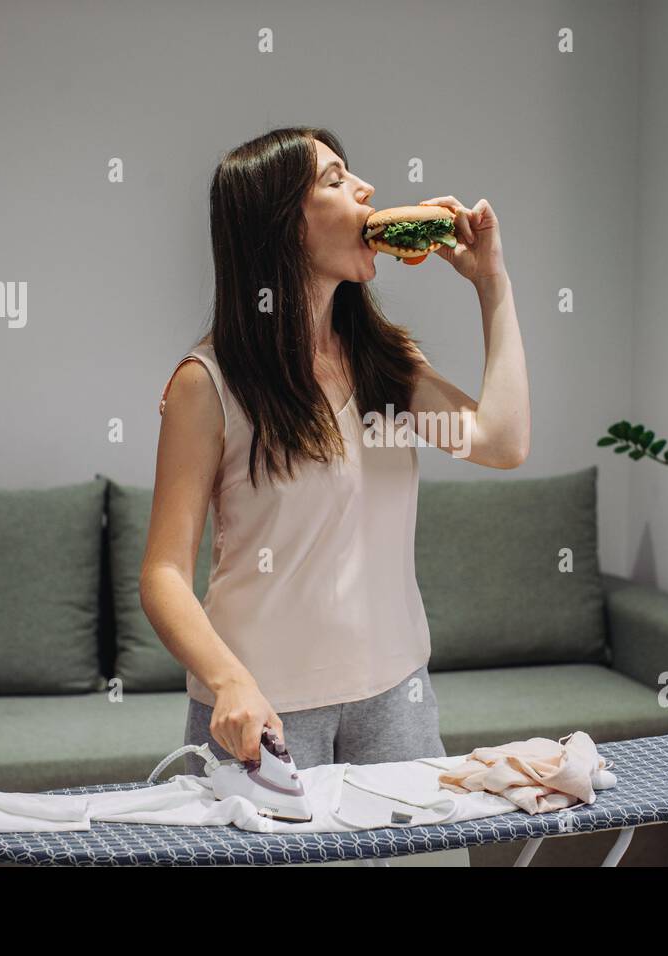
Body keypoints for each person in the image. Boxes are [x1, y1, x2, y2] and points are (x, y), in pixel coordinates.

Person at [140, 126, 529, 777]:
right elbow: (163, 574)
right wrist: (229, 681)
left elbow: (502, 441)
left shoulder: (385, 362)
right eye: (334, 179)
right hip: (264, 709)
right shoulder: (206, 384)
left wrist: (492, 282)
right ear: (285, 226)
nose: (366, 189)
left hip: (396, 693)